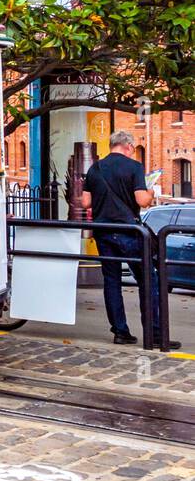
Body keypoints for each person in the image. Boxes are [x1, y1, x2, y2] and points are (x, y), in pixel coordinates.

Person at [82, 130, 176, 348]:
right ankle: (154, 334)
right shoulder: (134, 167)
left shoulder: (94, 168)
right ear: (128, 146)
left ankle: (121, 332)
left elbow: (85, 202)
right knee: (148, 281)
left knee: (112, 282)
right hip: (128, 232)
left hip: (104, 232)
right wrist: (151, 193)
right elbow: (142, 200)